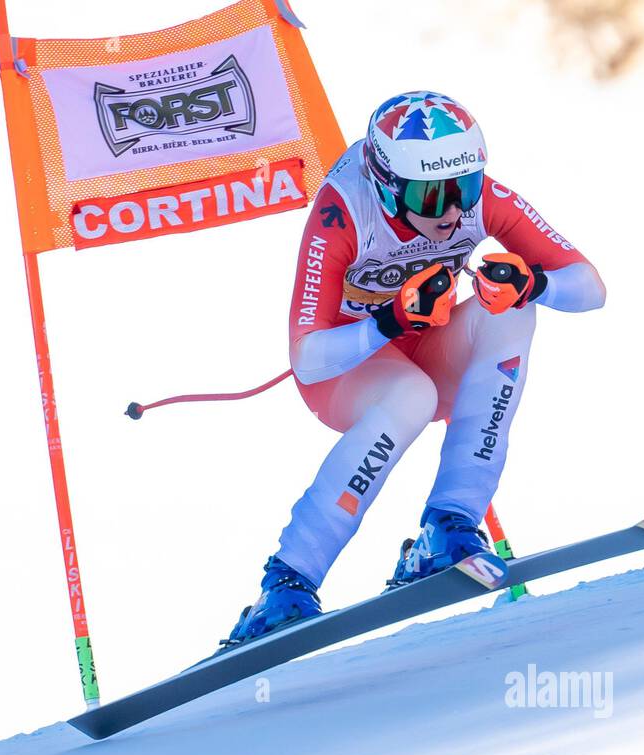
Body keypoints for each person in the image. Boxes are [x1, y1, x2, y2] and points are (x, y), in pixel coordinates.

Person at [224, 91, 606, 649]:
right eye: (431, 197)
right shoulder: (342, 211)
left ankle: (448, 527)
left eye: (465, 188)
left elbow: (592, 288)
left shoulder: (481, 201)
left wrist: (535, 283)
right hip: (347, 365)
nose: (453, 213)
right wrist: (386, 322)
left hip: (430, 348)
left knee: (513, 315)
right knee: (409, 396)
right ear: (385, 185)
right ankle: (285, 581)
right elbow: (306, 359)